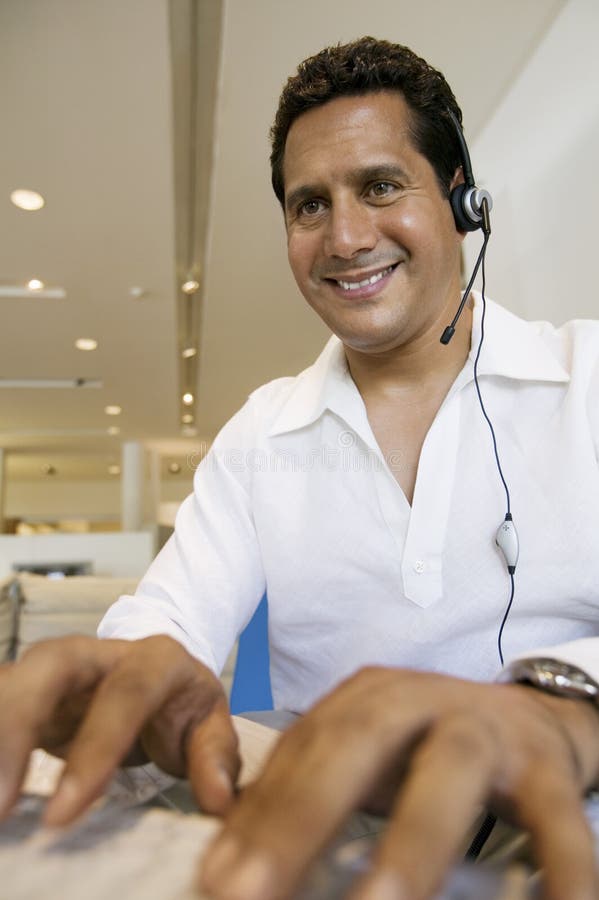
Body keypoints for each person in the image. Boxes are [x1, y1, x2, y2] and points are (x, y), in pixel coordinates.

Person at [1, 36, 599, 899]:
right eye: (308, 205)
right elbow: (168, 621)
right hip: (329, 845)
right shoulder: (261, 432)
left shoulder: (588, 382)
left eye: (381, 186)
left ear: (464, 200)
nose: (345, 237)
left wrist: (558, 708)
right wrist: (127, 677)